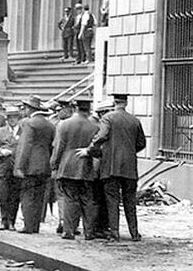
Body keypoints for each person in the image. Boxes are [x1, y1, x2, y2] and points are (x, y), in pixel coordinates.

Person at [80, 93, 147, 242]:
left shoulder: (108, 118)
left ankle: (115, 233)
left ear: (114, 103)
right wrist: (129, 151)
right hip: (130, 167)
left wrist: (90, 149)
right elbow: (141, 143)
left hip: (111, 167)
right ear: (126, 103)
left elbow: (102, 136)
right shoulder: (135, 120)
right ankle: (134, 233)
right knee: (130, 201)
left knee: (112, 200)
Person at [52, 98, 101, 240]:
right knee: (87, 200)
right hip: (86, 165)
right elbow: (98, 150)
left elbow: (58, 147)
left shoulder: (64, 125)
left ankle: (68, 231)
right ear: (89, 109)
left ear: (75, 108)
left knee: (69, 199)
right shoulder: (94, 127)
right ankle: (89, 232)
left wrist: (54, 164)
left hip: (67, 165)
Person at [14, 96, 54, 234]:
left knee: (28, 195)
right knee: (39, 196)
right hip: (45, 164)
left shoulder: (30, 123)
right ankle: (35, 225)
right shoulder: (49, 124)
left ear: (30, 109)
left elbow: (25, 146)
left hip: (31, 164)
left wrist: (19, 166)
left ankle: (28, 226)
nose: (24, 110)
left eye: (25, 107)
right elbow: (52, 145)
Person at [0, 112, 20, 230]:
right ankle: (4, 220)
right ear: (7, 119)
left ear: (18, 118)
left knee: (15, 197)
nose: (12, 120)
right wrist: (0, 151)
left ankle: (12, 221)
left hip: (17, 168)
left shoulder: (24, 131)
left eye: (15, 117)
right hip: (2, 167)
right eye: (10, 117)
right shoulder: (0, 131)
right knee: (3, 196)